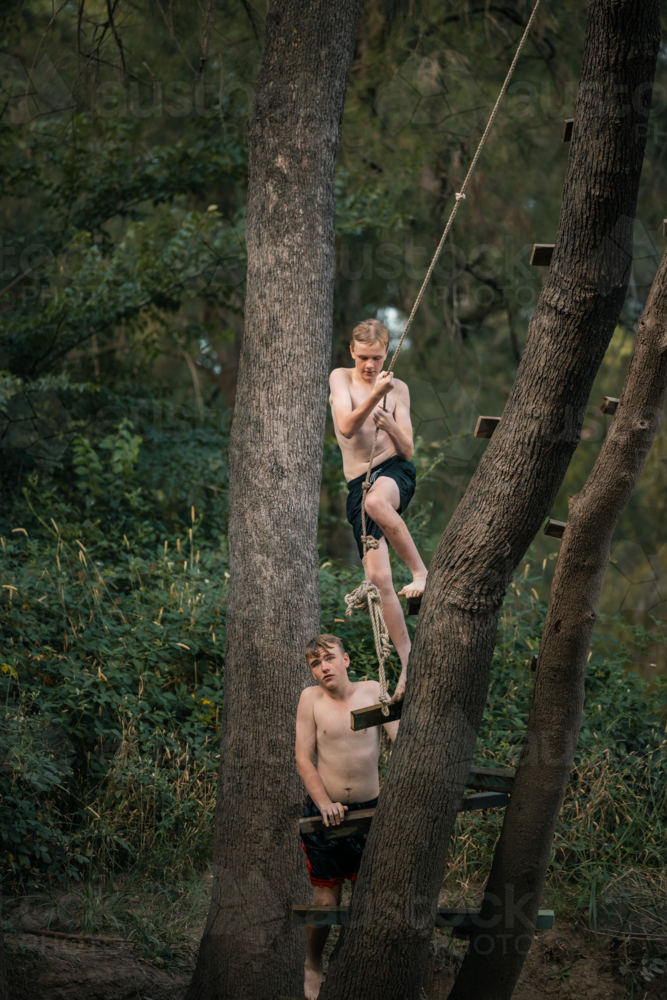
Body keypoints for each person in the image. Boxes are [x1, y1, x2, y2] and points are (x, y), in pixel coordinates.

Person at [295, 634, 399, 1000]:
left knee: (370, 895)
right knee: (327, 900)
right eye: (314, 663)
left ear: (346, 660)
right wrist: (323, 802)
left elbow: (400, 738)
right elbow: (304, 759)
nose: (323, 667)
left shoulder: (372, 690)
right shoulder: (310, 699)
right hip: (326, 814)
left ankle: (359, 963)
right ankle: (313, 964)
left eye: (328, 658)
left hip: (371, 811)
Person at [329, 318, 428, 700]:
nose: (370, 365)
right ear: (352, 351)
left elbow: (408, 449)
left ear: (388, 353)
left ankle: (421, 573)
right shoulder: (341, 378)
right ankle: (407, 663)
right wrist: (375, 397)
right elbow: (347, 426)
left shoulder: (397, 387)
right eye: (365, 357)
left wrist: (390, 422)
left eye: (378, 357)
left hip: (393, 472)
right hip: (358, 483)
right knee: (379, 579)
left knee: (376, 501)